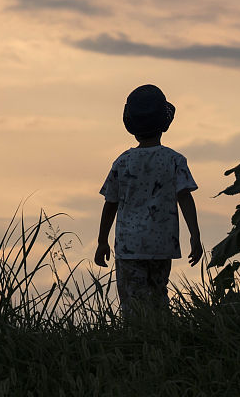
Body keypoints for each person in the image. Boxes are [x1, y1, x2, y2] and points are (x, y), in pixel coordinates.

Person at [95, 84, 202, 316]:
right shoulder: (175, 160)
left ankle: (137, 337)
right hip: (161, 245)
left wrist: (102, 241)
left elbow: (110, 203)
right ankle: (161, 335)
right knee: (158, 296)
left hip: (129, 246)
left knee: (132, 303)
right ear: (164, 124)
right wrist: (195, 235)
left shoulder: (123, 162)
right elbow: (185, 197)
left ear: (132, 126)